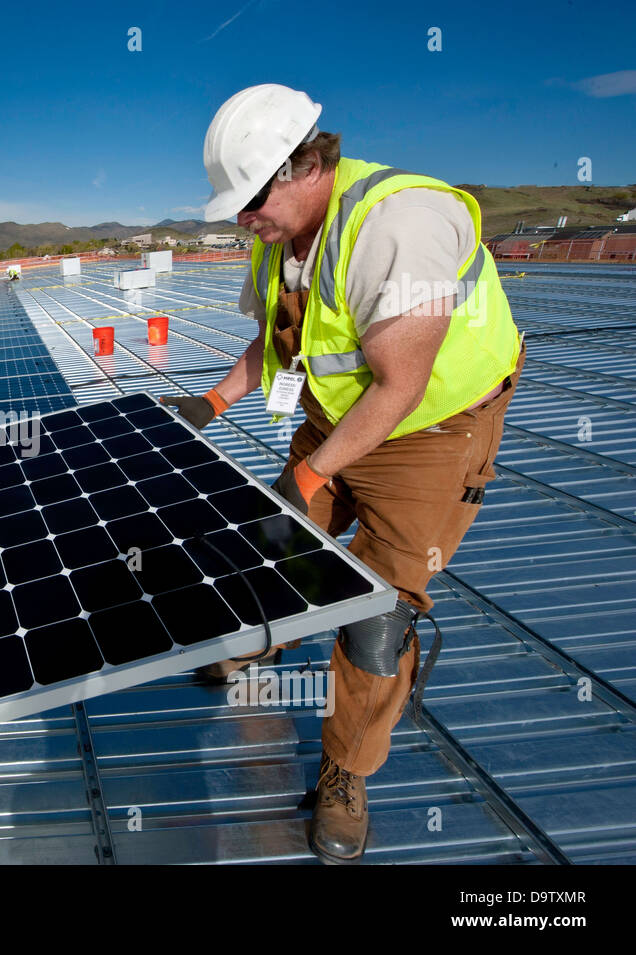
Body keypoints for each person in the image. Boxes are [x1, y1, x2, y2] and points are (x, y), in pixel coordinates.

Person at [161, 84, 522, 863]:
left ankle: (345, 772)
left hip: (430, 429)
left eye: (251, 198)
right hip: (338, 417)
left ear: (305, 164)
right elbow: (277, 342)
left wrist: (312, 474)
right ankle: (266, 639)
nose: (241, 217)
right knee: (280, 544)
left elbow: (402, 385)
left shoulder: (399, 223)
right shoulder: (277, 236)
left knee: (375, 615)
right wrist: (211, 402)